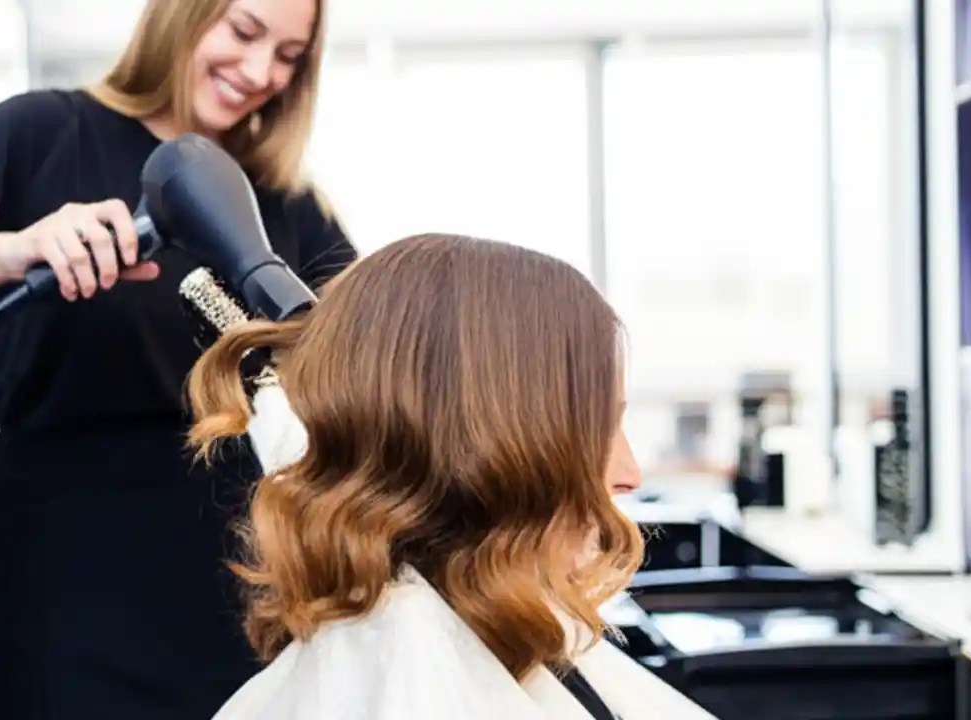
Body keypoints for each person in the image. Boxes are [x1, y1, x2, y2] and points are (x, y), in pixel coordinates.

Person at [0, 0, 355, 718]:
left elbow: (362, 360)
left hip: (232, 576)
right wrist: (17, 248)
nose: (261, 71)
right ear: (182, 15)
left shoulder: (288, 205)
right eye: (244, 31)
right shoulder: (40, 134)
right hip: (55, 573)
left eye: (289, 56)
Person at [186, 234, 712, 719]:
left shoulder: (491, 637)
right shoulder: (410, 678)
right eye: (599, 429)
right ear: (492, 446)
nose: (629, 473)